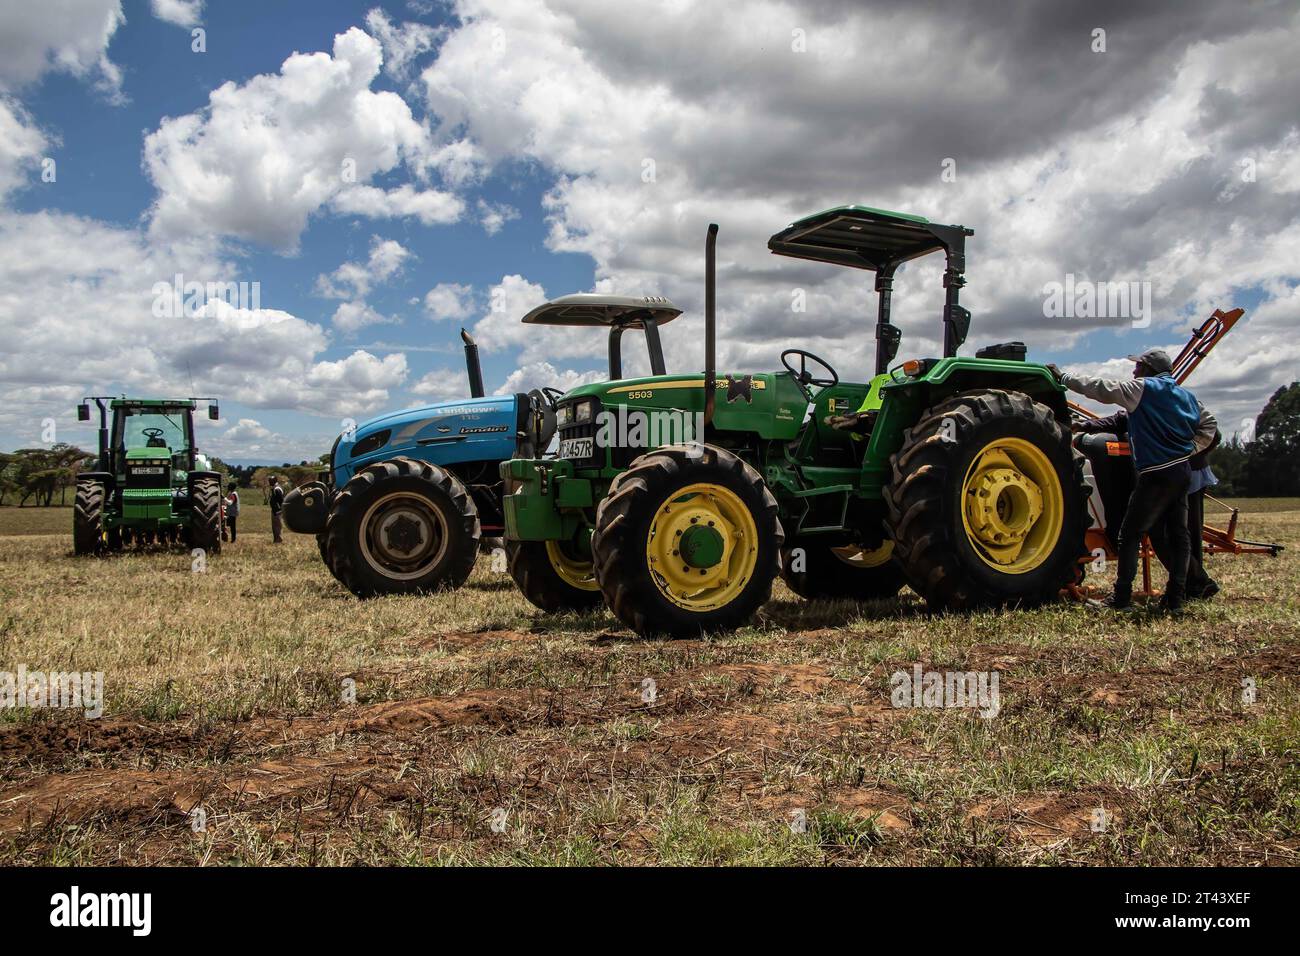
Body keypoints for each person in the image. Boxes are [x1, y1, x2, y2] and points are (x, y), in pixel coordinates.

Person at [1049, 348, 1217, 613]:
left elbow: (1101, 388)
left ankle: (1121, 599)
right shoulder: (1187, 397)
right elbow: (1210, 426)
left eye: (1138, 366)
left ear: (1149, 368)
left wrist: (1064, 377)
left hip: (1156, 474)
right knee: (1179, 536)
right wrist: (1189, 449)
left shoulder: (1143, 389)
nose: (1134, 371)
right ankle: (1174, 601)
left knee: (1129, 534)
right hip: (1181, 471)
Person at [1074, 407, 1221, 601]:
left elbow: (1215, 435)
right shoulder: (1147, 404)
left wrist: (1188, 453)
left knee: (1180, 534)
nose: (1135, 375)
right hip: (1174, 474)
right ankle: (1192, 586)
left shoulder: (1180, 405)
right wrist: (1084, 425)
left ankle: (1195, 585)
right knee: (1172, 535)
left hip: (1187, 475)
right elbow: (1119, 419)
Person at [269, 475, 285, 543]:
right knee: (275, 526)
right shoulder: (274, 488)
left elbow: (281, 500)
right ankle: (276, 539)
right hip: (275, 510)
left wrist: (279, 510)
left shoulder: (277, 489)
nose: (269, 482)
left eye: (271, 481)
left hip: (277, 511)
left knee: (277, 525)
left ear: (275, 481)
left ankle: (278, 540)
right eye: (269, 481)